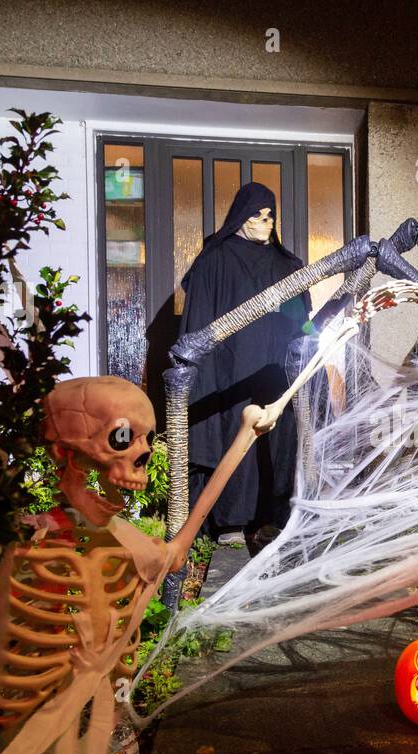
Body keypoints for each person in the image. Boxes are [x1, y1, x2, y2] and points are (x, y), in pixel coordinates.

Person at [177, 182, 311, 546]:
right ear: (241, 217)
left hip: (274, 373)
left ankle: (274, 519)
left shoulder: (288, 265)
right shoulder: (216, 259)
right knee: (233, 437)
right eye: (257, 215)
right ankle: (230, 521)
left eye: (270, 216)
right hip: (230, 374)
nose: (265, 222)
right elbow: (199, 319)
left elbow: (303, 323)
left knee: (278, 443)